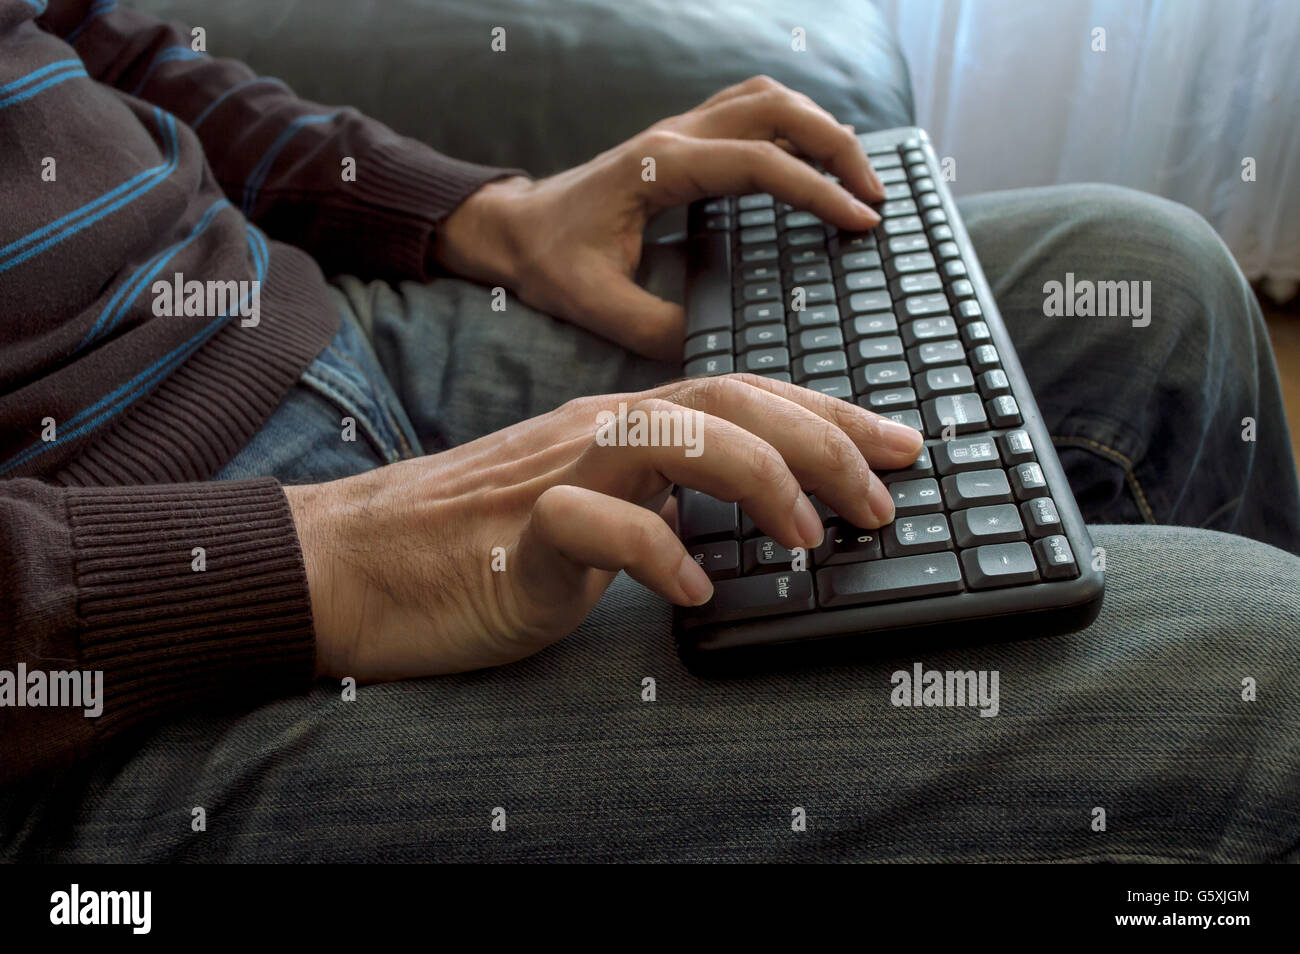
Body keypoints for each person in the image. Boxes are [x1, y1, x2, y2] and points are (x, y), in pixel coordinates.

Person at [2, 1, 1297, 861]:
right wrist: (319, 555)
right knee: (1264, 684)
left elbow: (99, 49)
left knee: (1164, 290)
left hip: (331, 335)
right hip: (108, 671)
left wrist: (488, 215)